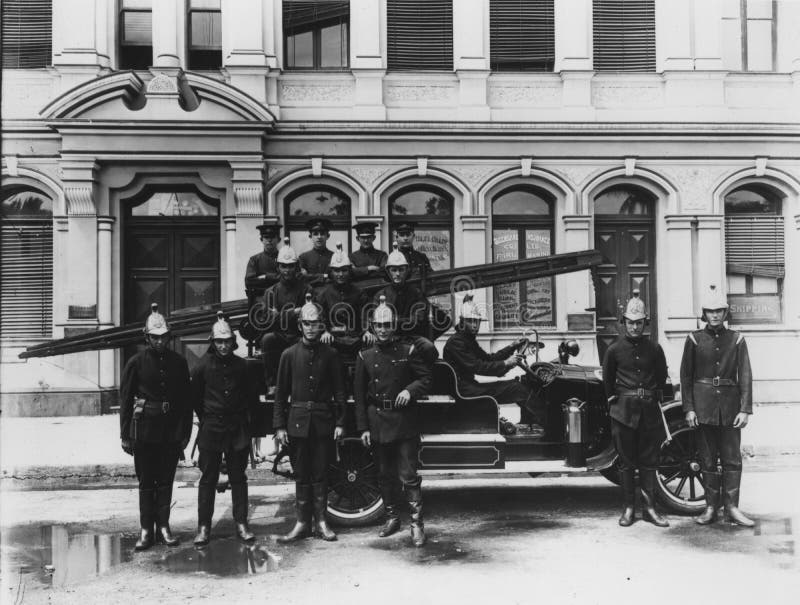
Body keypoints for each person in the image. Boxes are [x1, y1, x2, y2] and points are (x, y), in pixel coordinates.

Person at [355, 296, 432, 547]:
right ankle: (391, 518)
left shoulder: (408, 351)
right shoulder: (364, 356)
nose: (383, 330)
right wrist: (363, 428)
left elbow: (426, 379)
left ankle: (417, 524)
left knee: (408, 476)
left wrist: (410, 390)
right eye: (379, 326)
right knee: (384, 475)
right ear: (373, 327)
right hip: (378, 422)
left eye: (387, 325)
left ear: (394, 326)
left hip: (405, 421)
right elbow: (358, 397)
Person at [274, 294, 346, 543]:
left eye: (315, 323)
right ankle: (302, 523)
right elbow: (281, 394)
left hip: (324, 423)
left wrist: (339, 422)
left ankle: (322, 522)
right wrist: (280, 426)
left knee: (321, 473)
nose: (311, 328)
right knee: (301, 474)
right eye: (307, 323)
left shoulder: (331, 355)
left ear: (322, 325)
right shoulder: (289, 355)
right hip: (297, 423)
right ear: (300, 325)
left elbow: (340, 393)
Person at [680, 285, 754, 527]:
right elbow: (686, 377)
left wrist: (744, 409)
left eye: (719, 311)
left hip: (731, 408)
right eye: (710, 311)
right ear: (704, 313)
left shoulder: (737, 339)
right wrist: (689, 408)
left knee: (732, 459)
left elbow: (745, 375)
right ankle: (711, 507)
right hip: (703, 407)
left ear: (725, 313)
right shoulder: (693, 339)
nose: (714, 315)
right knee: (707, 458)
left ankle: (732, 507)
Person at [120, 304, 192, 551]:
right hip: (145, 432)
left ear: (169, 337)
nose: (160, 342)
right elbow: (126, 400)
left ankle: (163, 526)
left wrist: (185, 433)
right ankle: (145, 529)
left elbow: (185, 401)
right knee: (146, 481)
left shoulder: (179, 362)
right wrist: (125, 436)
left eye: (163, 337)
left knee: (166, 480)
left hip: (170, 431)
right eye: (154, 337)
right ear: (147, 337)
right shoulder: (136, 363)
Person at [602, 291, 669, 528]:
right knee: (627, 462)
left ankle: (650, 509)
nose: (634, 327)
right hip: (623, 413)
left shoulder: (655, 349)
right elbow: (608, 381)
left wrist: (651, 396)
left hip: (649, 412)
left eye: (639, 323)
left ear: (645, 323)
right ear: (624, 322)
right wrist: (616, 403)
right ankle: (629, 508)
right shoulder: (614, 350)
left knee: (649, 461)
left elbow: (661, 377)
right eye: (630, 322)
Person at [191, 312, 258, 546]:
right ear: (212, 342)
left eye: (227, 341)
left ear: (233, 342)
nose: (223, 346)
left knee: (239, 477)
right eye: (219, 341)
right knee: (208, 478)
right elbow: (196, 400)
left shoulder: (243, 367)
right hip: (212, 428)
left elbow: (251, 399)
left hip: (237, 428)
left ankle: (241, 523)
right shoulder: (201, 367)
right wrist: (209, 418)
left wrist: (246, 426)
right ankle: (203, 527)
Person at [443, 295, 546, 435]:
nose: (475, 325)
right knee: (516, 388)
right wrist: (506, 363)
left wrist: (512, 346)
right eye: (471, 321)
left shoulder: (466, 340)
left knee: (521, 383)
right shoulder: (456, 343)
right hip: (465, 391)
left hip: (468, 387)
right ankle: (548, 427)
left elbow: (489, 359)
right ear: (462, 322)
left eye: (477, 321)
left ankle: (531, 425)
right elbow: (478, 366)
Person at [260, 238, 312, 391]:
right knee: (267, 339)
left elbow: (308, 315)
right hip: (279, 334)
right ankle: (273, 384)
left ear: (296, 267)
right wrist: (294, 312)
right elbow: (268, 320)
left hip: (299, 334)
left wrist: (280, 315)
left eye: (291, 266)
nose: (287, 270)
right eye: (284, 266)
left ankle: (303, 385)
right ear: (278, 267)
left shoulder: (306, 289)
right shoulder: (271, 292)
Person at [372, 243, 438, 365]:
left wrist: (394, 321)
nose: (397, 274)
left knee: (428, 348)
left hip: (411, 337)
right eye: (394, 270)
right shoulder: (381, 295)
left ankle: (426, 377)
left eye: (401, 270)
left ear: (406, 270)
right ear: (388, 271)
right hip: (388, 336)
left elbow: (417, 320)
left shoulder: (416, 293)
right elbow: (377, 321)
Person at [317, 242, 375, 362]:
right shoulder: (324, 294)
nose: (340, 274)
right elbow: (320, 315)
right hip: (332, 338)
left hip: (355, 338)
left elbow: (365, 313)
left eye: (344, 270)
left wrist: (366, 331)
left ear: (349, 271)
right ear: (331, 272)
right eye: (336, 271)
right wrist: (324, 331)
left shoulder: (358, 293)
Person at [244, 222, 282, 299]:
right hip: (260, 298)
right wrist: (276, 278)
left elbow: (288, 278)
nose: (269, 240)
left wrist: (265, 276)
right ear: (261, 239)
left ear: (278, 239)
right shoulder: (254, 260)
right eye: (266, 237)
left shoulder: (284, 258)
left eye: (272, 237)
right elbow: (249, 281)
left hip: (281, 298)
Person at [298, 217, 334, 287]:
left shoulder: (334, 256)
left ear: (328, 236)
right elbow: (301, 277)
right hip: (309, 293)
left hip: (328, 294)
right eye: (315, 234)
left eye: (322, 233)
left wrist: (310, 276)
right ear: (310, 236)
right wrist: (325, 276)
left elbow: (335, 277)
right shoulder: (303, 257)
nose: (319, 237)